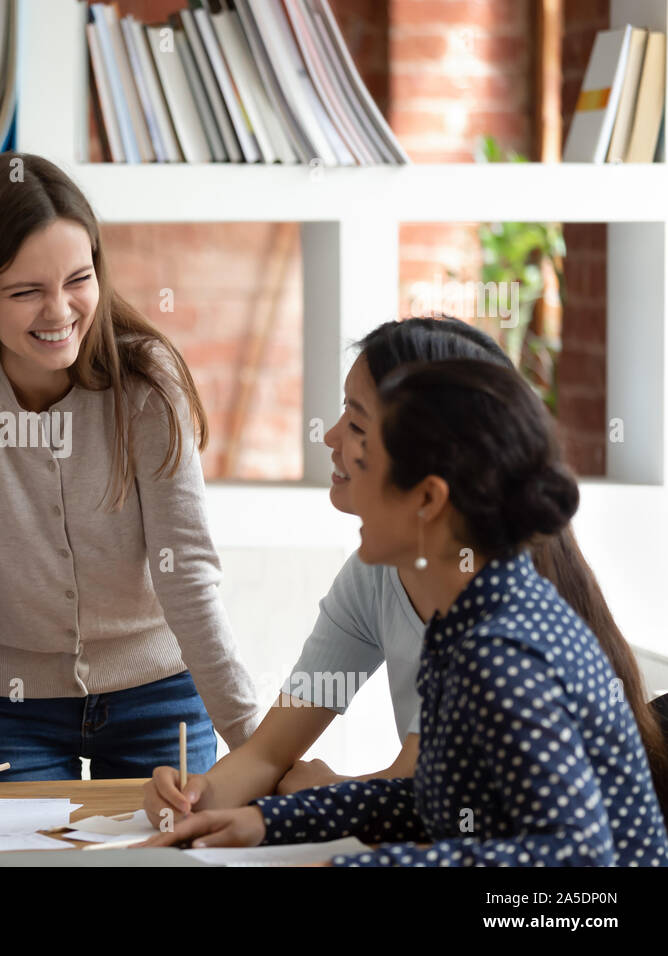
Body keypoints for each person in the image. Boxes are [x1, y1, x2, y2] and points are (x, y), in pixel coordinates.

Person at [143, 317, 668, 825]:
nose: (329, 437)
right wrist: (202, 798)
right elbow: (281, 759)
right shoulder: (407, 592)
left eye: (356, 422)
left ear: (427, 484)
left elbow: (432, 817)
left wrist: (324, 801)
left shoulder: (498, 635)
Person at [0, 152, 259, 811]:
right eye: (25, 291)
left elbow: (187, 573)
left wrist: (256, 746)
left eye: (78, 279)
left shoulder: (146, 382)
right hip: (10, 706)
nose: (59, 310)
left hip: (159, 690)